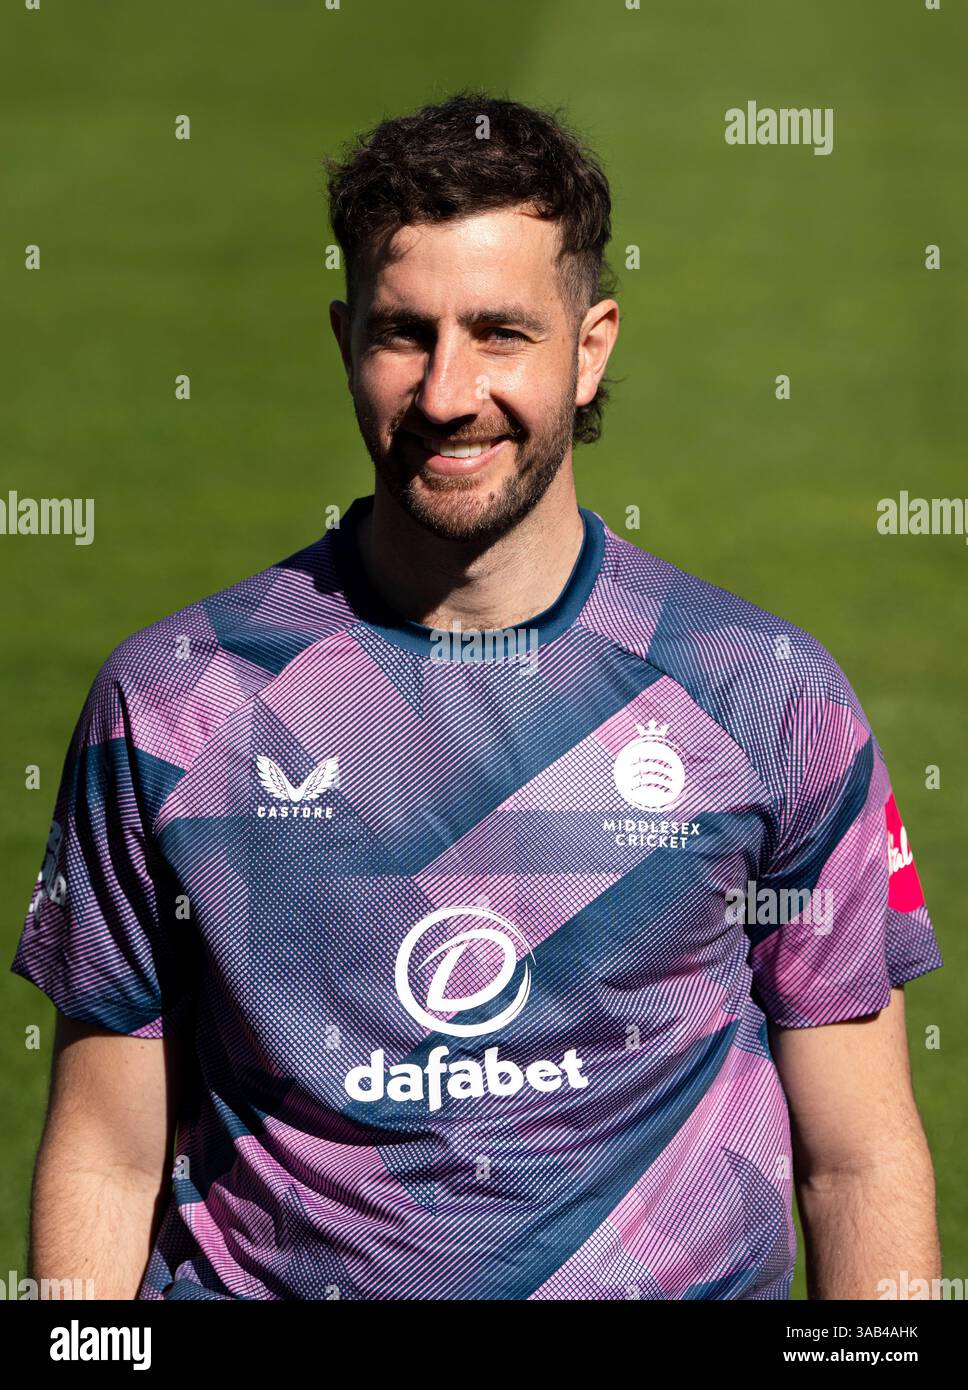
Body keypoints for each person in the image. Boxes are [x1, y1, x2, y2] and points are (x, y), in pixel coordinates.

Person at [12, 90, 944, 1301]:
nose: (447, 393)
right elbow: (105, 1150)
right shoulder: (177, 704)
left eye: (500, 333)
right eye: (404, 334)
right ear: (344, 337)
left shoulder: (762, 697)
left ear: (590, 341)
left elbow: (857, 1161)